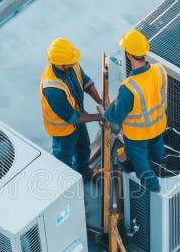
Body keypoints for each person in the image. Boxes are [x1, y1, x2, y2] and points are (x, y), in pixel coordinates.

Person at [98, 29, 167, 192]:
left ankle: (155, 188)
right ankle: (160, 164)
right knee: (157, 150)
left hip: (138, 135)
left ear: (129, 54)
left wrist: (104, 111)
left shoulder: (129, 88)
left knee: (140, 161)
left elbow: (116, 116)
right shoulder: (160, 70)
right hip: (158, 125)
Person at [39, 37, 103, 180]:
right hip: (63, 130)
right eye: (69, 63)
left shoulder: (71, 62)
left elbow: (86, 82)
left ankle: (84, 172)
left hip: (78, 119)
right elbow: (71, 117)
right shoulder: (52, 87)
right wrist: (99, 116)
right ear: (57, 64)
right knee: (63, 159)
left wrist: (100, 102)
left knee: (84, 147)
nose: (73, 64)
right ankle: (67, 184)